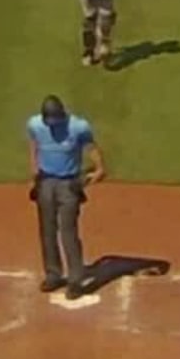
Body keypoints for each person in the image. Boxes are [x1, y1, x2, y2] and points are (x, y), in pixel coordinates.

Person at [26, 95, 107, 300]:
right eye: (49, 121)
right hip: (46, 182)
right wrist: (34, 171)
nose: (52, 124)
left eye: (55, 120)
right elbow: (34, 144)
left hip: (69, 184)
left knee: (68, 232)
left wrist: (99, 168)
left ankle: (75, 280)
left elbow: (90, 147)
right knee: (47, 230)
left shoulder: (78, 127)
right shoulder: (35, 124)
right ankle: (53, 275)